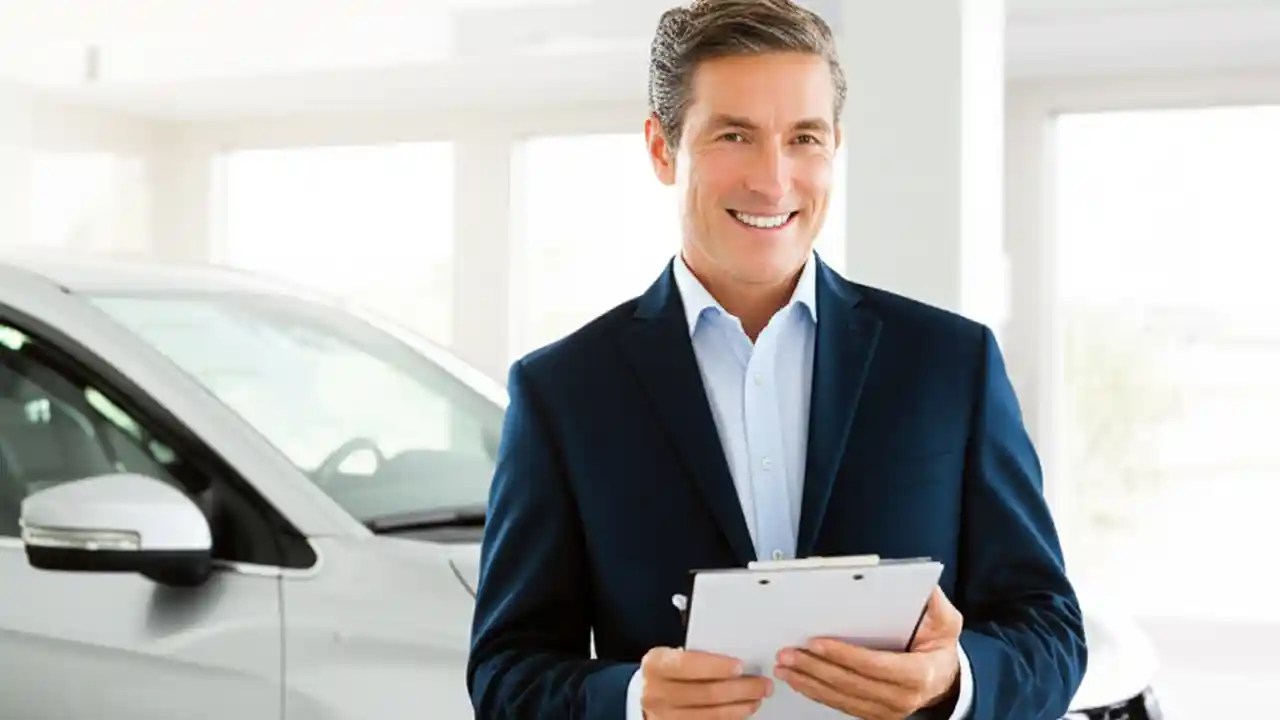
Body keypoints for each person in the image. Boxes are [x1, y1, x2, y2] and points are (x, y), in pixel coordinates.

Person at [466, 1, 1087, 718]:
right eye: (735, 135)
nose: (773, 179)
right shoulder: (563, 393)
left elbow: (1051, 629)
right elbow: (506, 672)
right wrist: (633, 701)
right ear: (662, 149)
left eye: (804, 138)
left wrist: (955, 680)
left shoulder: (951, 364)